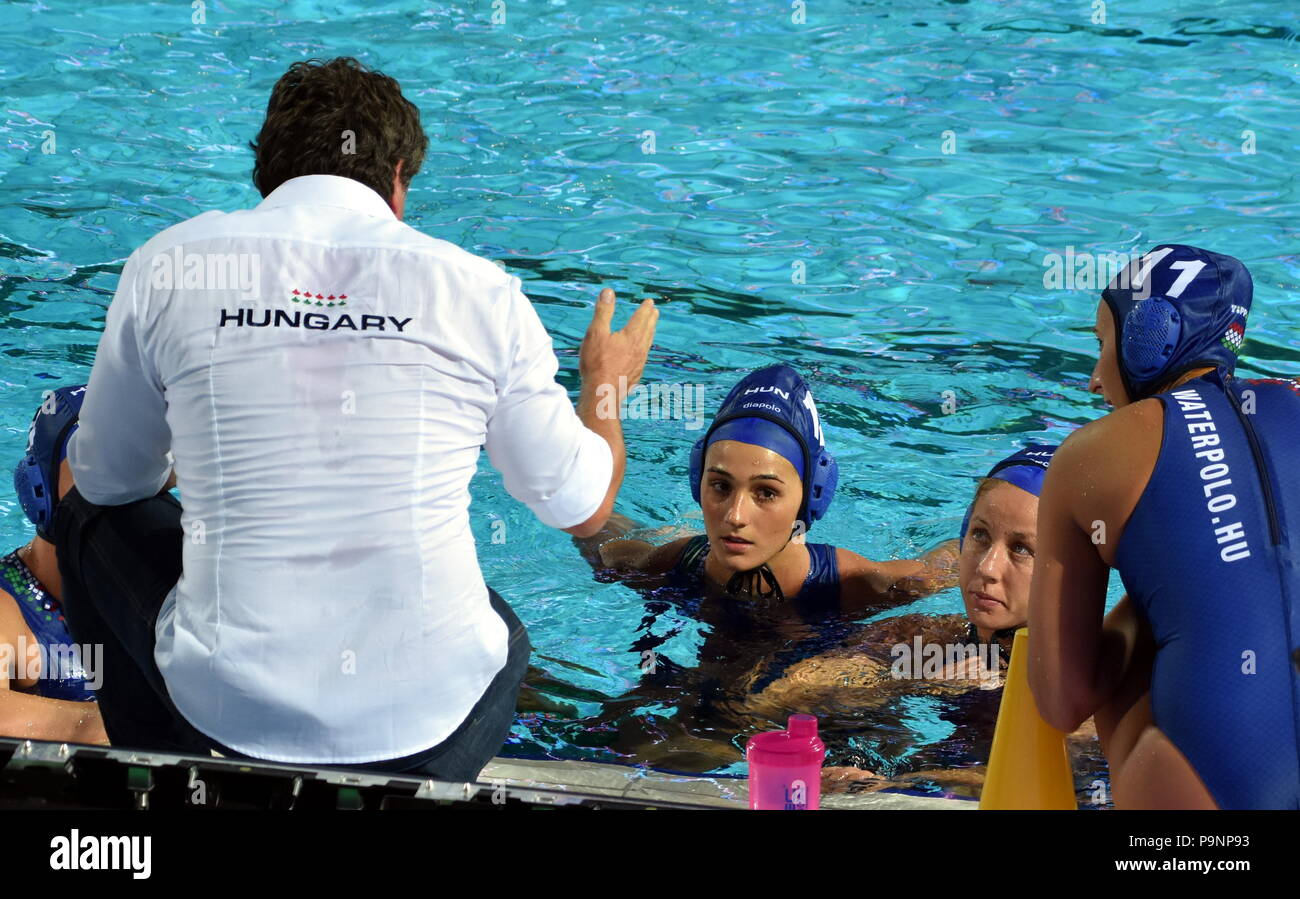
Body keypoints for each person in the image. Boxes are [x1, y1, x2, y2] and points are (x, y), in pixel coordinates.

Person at [52, 57, 657, 781]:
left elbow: (109, 479)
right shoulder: (478, 290)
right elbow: (586, 510)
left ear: (264, 171)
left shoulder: (172, 264)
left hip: (222, 713)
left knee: (84, 509)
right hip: (435, 728)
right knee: (494, 628)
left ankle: (155, 769)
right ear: (399, 177)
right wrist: (604, 387)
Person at [567, 364, 958, 771]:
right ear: (696, 481)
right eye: (720, 486)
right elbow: (594, 528)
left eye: (766, 493)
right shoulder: (674, 565)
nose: (735, 515)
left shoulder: (850, 583)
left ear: (811, 498)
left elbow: (954, 563)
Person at [1029, 243, 1300, 809]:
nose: (1094, 381)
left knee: (1157, 647)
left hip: (1205, 778)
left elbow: (1062, 699)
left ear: (1147, 339)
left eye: (1102, 345)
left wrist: (1149, 603)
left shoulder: (1092, 455)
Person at [1, 386, 108, 744]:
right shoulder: (7, 607)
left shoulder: (171, 584)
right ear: (40, 489)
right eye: (92, 468)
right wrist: (136, 725)